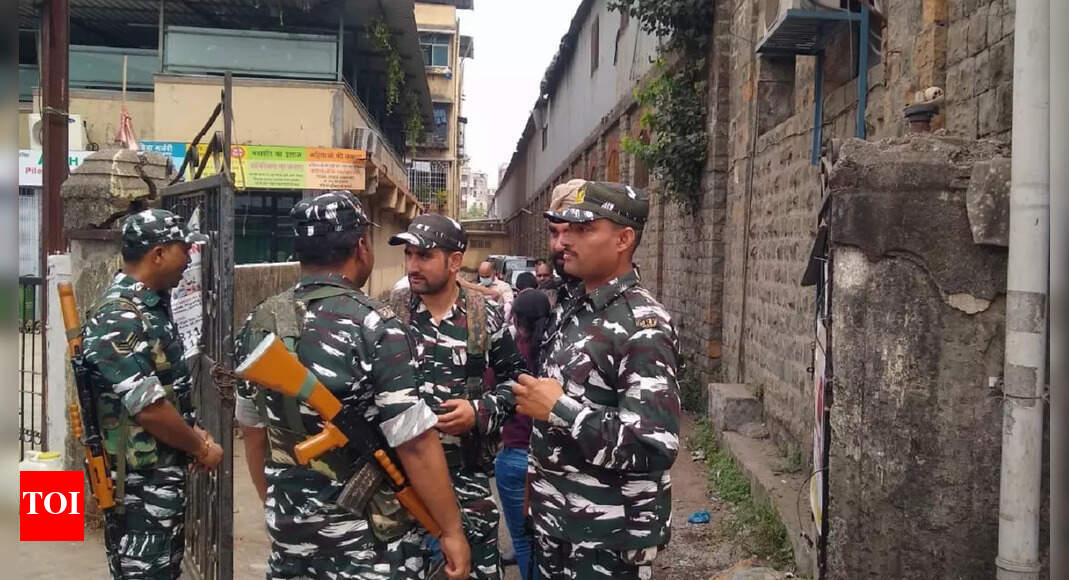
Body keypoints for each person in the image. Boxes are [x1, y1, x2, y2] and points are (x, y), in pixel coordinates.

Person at [234, 192, 470, 580]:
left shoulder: (259, 320)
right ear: (362, 246)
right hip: (368, 541)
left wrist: (278, 504)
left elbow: (254, 430)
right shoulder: (376, 325)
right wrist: (452, 530)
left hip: (291, 529)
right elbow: (415, 443)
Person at [513, 182, 681, 579]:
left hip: (607, 540)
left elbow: (654, 447)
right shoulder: (575, 307)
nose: (565, 241)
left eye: (584, 229)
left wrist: (560, 410)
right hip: (558, 523)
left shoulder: (643, 326)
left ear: (624, 239)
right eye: (563, 229)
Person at [82, 209, 223, 579]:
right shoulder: (120, 315)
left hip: (156, 482)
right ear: (158, 254)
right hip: (138, 490)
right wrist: (200, 446)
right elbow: (149, 409)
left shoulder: (149, 306)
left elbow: (165, 394)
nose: (189, 258)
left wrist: (193, 434)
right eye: (184, 249)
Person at [388, 215, 528, 580]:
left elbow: (518, 382)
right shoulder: (390, 317)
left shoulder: (486, 316)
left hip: (466, 483)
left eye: (424, 256)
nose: (412, 266)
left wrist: (480, 411)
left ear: (454, 262)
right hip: (401, 485)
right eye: (409, 255)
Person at [495, 290, 551, 580]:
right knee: (551, 540)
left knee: (522, 538)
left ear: (515, 318)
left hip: (515, 456)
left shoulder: (509, 353)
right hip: (551, 460)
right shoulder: (558, 354)